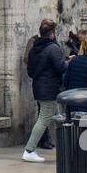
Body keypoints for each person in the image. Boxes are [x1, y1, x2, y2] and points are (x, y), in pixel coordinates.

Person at [22, 19, 66, 162]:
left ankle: (65, 146)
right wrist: (69, 62)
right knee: (44, 119)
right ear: (52, 33)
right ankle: (29, 150)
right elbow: (61, 67)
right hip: (49, 88)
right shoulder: (53, 48)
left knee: (58, 117)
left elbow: (31, 70)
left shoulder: (35, 47)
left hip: (40, 86)